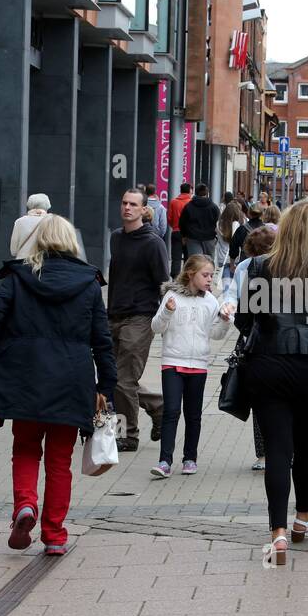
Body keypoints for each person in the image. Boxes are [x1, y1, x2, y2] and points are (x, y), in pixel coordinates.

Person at [0, 214, 116, 555]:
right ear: (71, 241)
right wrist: (106, 386)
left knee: (24, 447)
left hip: (25, 377)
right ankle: (54, 535)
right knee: (59, 460)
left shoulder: (19, 276)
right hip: (72, 381)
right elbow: (102, 339)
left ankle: (25, 506)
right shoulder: (88, 282)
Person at [235, 202, 308, 566]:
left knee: (278, 450)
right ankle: (302, 517)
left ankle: (278, 533)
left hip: (268, 364)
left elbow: (243, 319)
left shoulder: (258, 266)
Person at [149, 255, 233, 478]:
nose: (209, 280)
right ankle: (165, 461)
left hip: (198, 364)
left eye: (212, 276)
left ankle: (190, 458)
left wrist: (225, 322)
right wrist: (167, 310)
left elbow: (213, 334)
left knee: (193, 414)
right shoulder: (171, 295)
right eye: (205, 275)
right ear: (190, 274)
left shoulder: (210, 301)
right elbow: (156, 327)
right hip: (173, 362)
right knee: (172, 411)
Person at [108, 188, 167, 452]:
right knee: (114, 378)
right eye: (124, 203)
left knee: (123, 380)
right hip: (114, 314)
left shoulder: (153, 242)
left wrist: (165, 318)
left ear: (144, 209)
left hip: (141, 316)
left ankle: (128, 436)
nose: (127, 208)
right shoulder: (116, 238)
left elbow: (162, 283)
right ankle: (158, 405)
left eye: (133, 204)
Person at [221, 224, 278, 471]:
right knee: (260, 398)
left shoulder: (286, 268)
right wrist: (229, 308)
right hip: (253, 339)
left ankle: (281, 450)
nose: (258, 259)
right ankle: (264, 453)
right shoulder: (245, 268)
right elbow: (232, 296)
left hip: (274, 339)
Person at [180, 183, 221, 259]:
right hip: (209, 238)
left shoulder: (188, 206)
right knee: (208, 262)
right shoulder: (213, 207)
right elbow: (218, 222)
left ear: (195, 193)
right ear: (207, 193)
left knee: (195, 262)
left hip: (192, 238)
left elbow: (182, 222)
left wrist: (184, 235)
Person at [215, 199, 246, 288]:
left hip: (222, 256)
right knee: (235, 284)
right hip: (234, 257)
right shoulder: (238, 224)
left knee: (226, 284)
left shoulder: (219, 224)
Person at [9, 193, 51, 258]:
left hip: (23, 264)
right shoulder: (53, 222)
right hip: (45, 264)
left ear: (29, 206)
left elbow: (13, 251)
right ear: (47, 206)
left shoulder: (19, 222)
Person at [167, 183, 193, 277]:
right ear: (190, 191)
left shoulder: (173, 202)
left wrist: (174, 226)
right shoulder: (191, 202)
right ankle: (185, 279)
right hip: (189, 234)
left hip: (176, 232)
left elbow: (169, 218)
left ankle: (174, 278)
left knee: (176, 258)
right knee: (188, 258)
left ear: (180, 190)